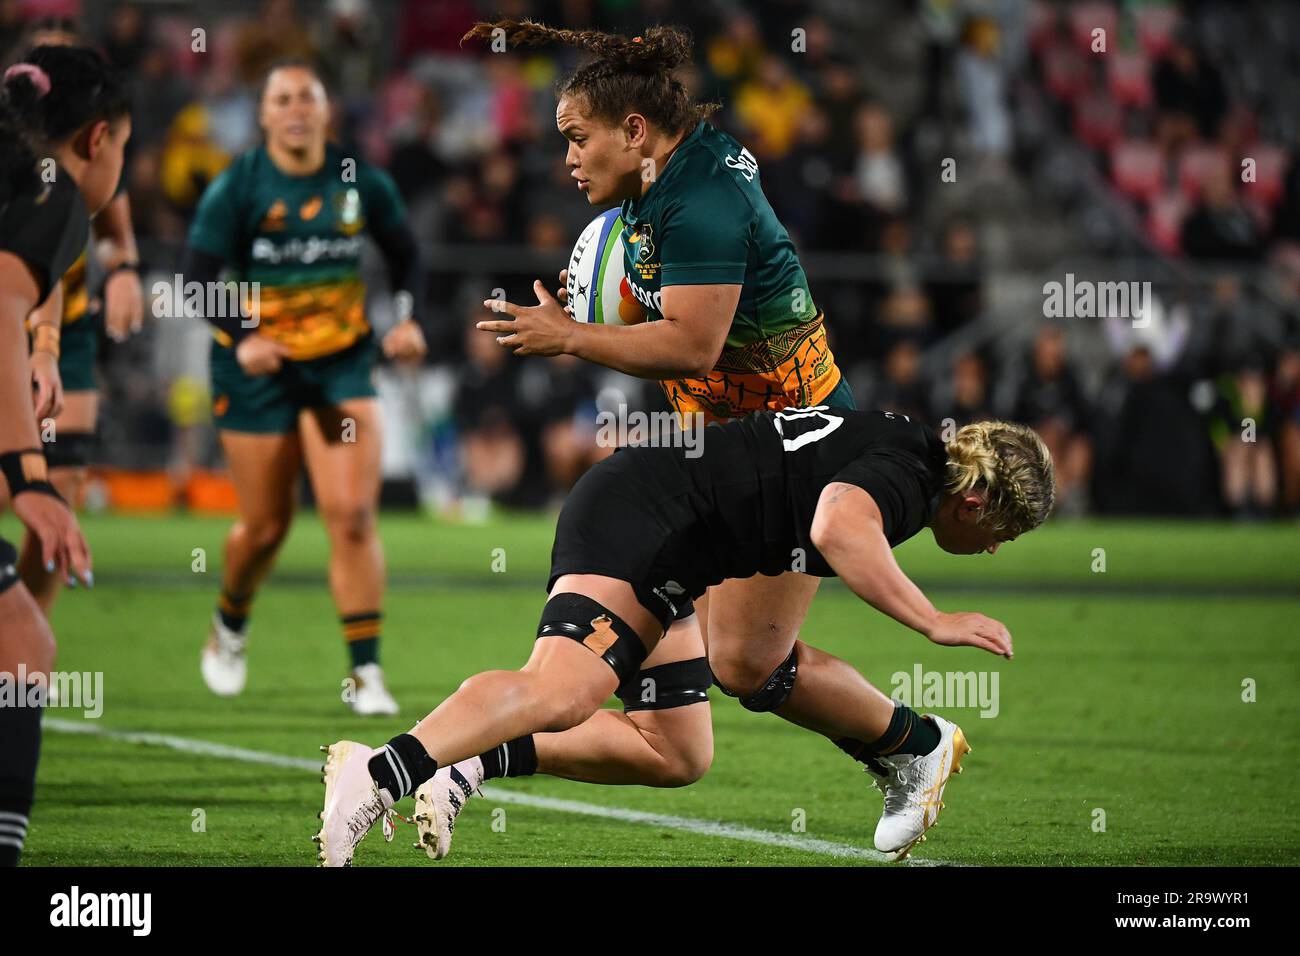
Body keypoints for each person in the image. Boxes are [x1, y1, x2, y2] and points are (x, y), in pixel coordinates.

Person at [463, 20, 981, 840]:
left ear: (634, 131)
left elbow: (690, 342)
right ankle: (492, 749)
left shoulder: (700, 200)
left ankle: (918, 745)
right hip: (715, 444)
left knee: (745, 661)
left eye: (576, 137)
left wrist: (572, 336)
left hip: (794, 446)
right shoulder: (664, 176)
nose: (565, 156)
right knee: (682, 705)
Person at [316, 407, 1054, 866]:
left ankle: (462, 765)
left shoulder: (909, 449)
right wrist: (934, 620)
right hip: (645, 522)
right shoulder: (911, 478)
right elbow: (836, 524)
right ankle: (381, 774)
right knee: (561, 690)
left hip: (674, 540)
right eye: (1002, 532)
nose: (993, 548)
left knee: (675, 751)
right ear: (978, 498)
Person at [184, 60, 428, 715]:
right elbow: (197, 276)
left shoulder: (358, 182)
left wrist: (406, 321)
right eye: (282, 98)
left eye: (307, 98)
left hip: (340, 365)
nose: (295, 109)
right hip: (257, 371)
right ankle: (230, 623)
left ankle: (366, 674)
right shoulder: (239, 186)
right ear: (263, 115)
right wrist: (244, 338)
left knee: (350, 517)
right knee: (265, 528)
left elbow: (406, 255)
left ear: (326, 112)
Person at [0, 45, 130, 866]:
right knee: (21, 644)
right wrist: (28, 481)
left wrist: (39, 346)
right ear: (96, 141)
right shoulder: (60, 195)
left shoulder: (22, 176)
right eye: (124, 147)